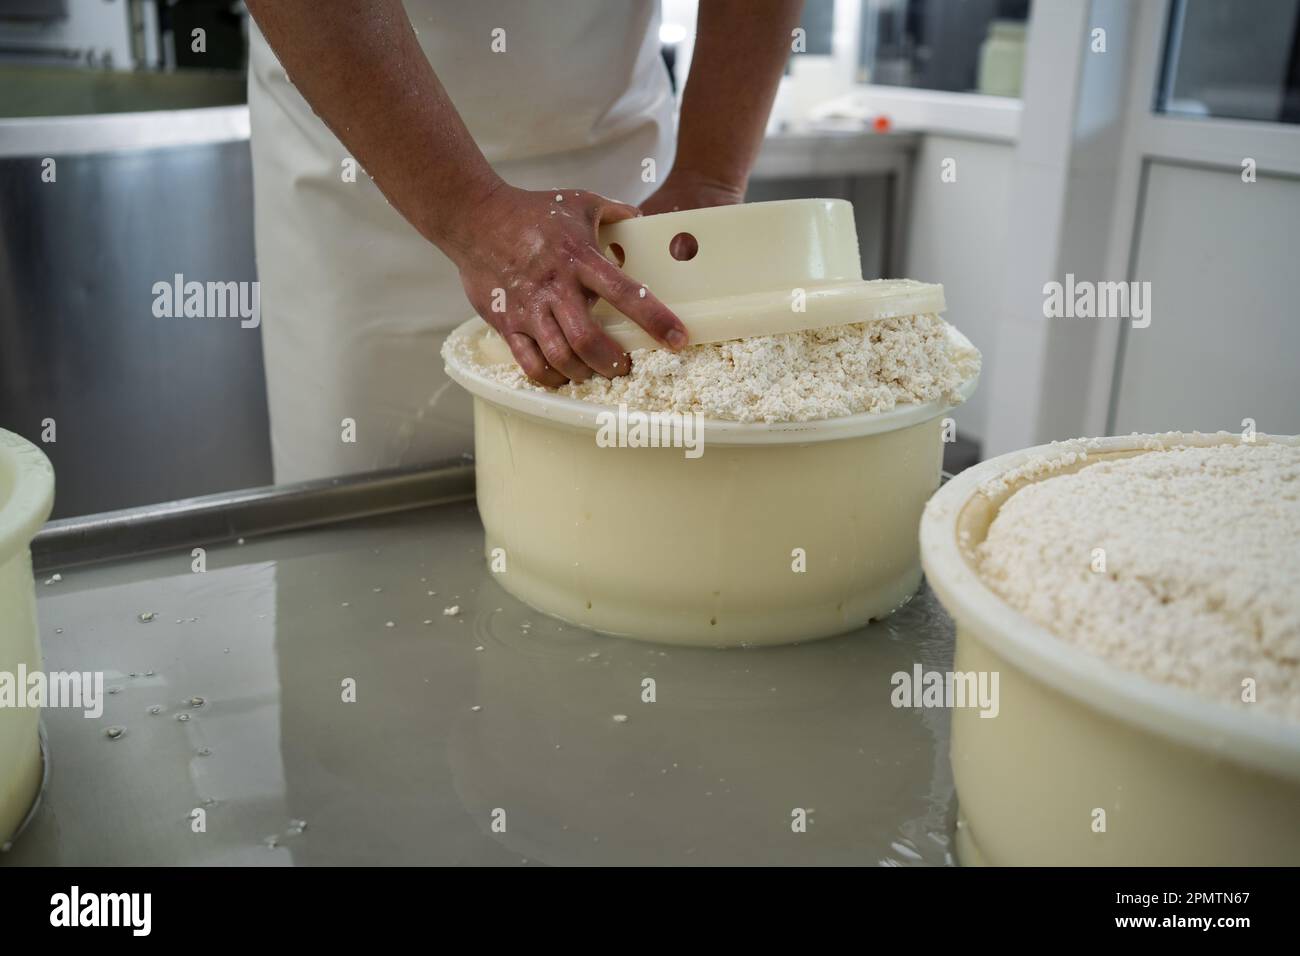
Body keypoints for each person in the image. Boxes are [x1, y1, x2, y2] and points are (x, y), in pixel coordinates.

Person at [246, 0, 802, 482]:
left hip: (617, 156)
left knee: (632, 499)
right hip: (370, 165)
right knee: (367, 532)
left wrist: (709, 175)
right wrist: (471, 212)